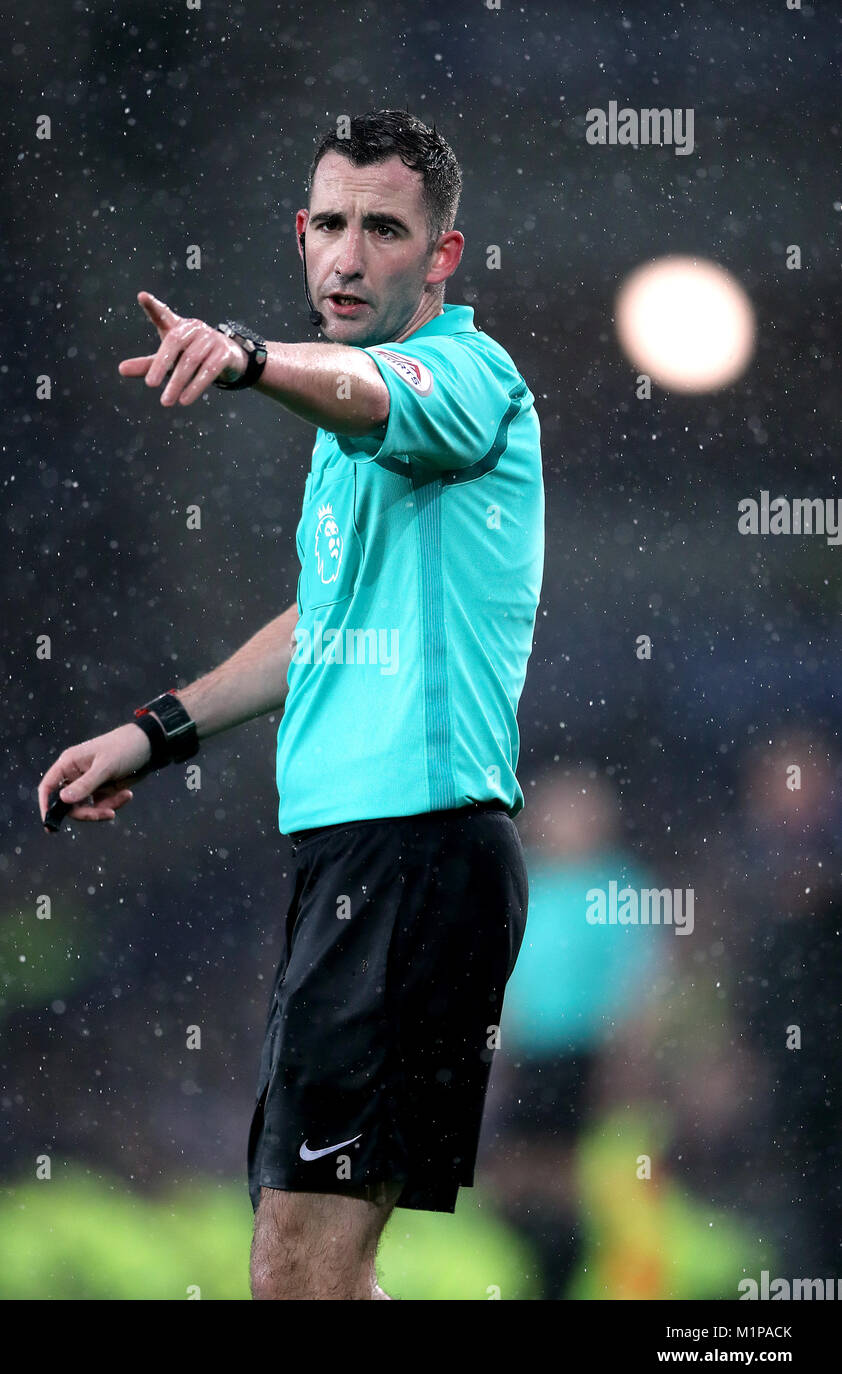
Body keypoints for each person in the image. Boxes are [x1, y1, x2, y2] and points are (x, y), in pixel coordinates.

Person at [37, 110, 545, 1300]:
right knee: (317, 1280)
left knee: (300, 1277)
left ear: (441, 256)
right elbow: (321, 624)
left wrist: (254, 359)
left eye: (384, 229)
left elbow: (368, 388)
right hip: (366, 860)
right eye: (329, 224)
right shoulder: (340, 439)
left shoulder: (468, 376)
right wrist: (153, 733)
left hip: (416, 852)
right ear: (299, 231)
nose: (348, 256)